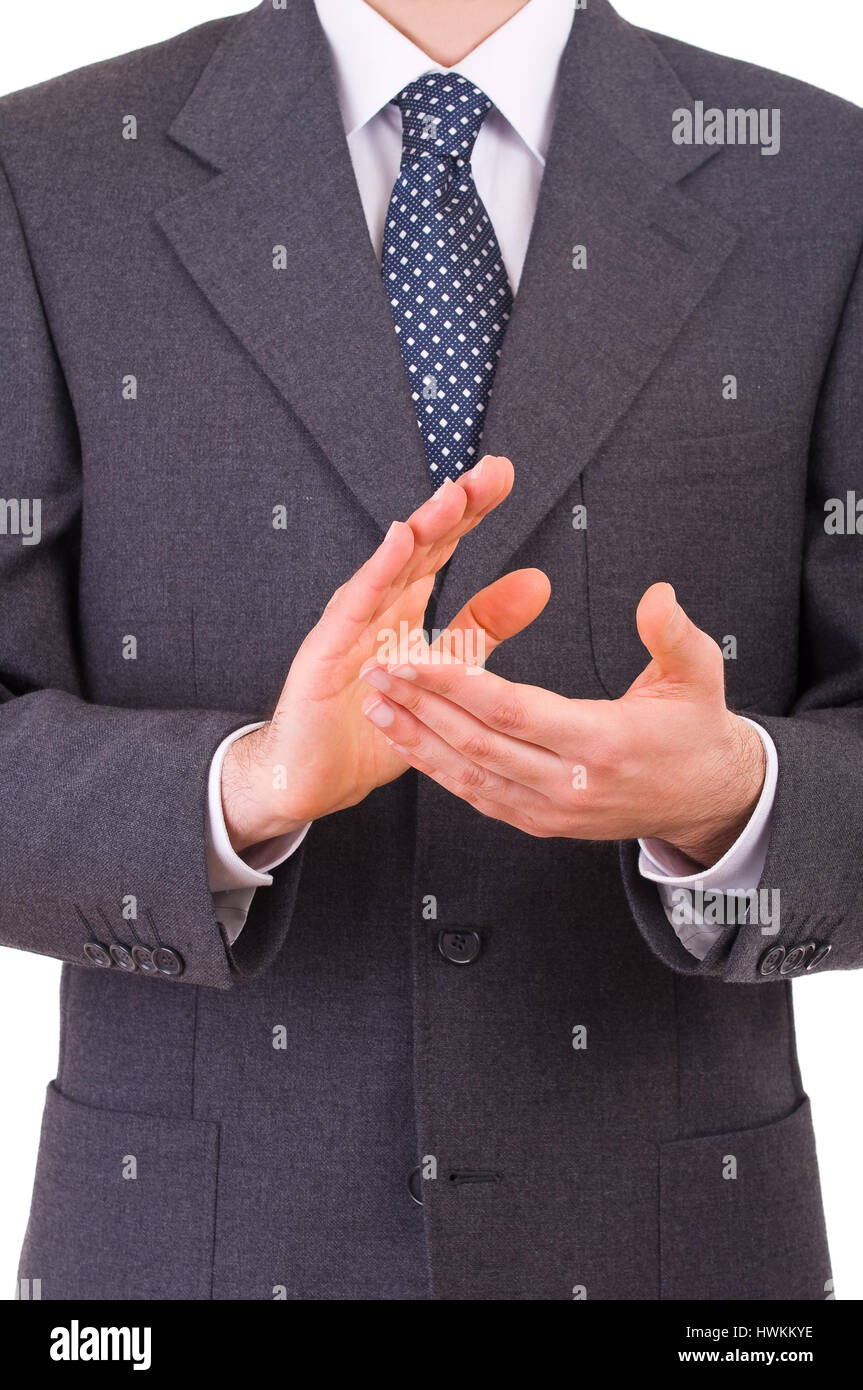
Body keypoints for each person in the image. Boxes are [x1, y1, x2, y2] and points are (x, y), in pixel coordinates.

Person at [2, 0, 861, 1301]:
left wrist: (740, 804)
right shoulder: (50, 169)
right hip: (191, 1256)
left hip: (675, 1252)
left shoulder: (822, 177)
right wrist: (241, 790)